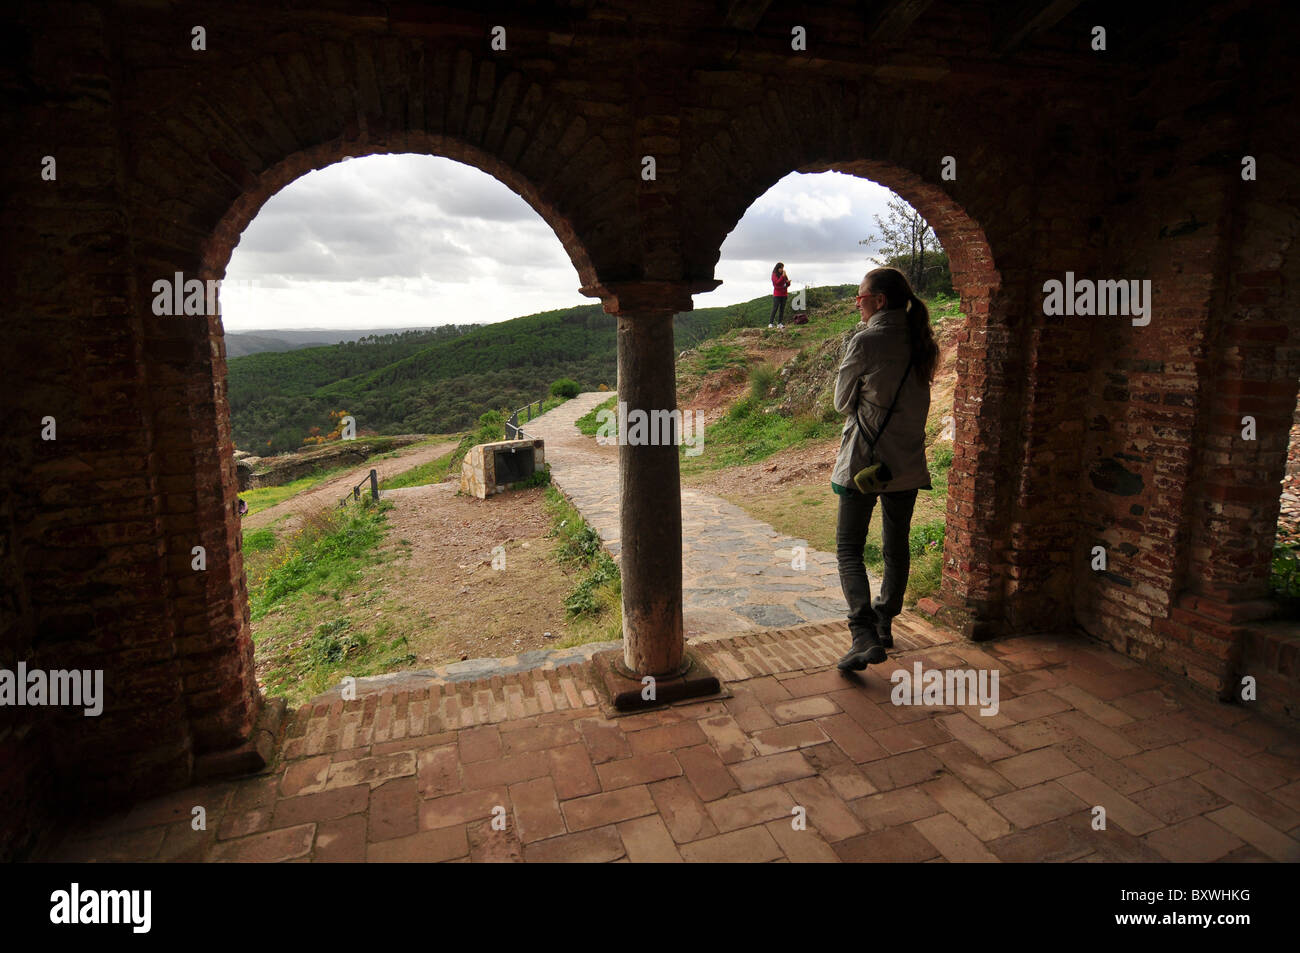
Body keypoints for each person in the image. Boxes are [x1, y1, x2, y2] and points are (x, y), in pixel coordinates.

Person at [831, 267, 938, 671]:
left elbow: (842, 403)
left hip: (865, 463)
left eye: (860, 297)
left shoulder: (866, 341)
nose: (857, 303)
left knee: (849, 548)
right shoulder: (922, 340)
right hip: (906, 464)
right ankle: (884, 622)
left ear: (879, 301)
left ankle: (862, 635)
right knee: (896, 545)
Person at [769, 263, 791, 328]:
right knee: (775, 308)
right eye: (781, 268)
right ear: (777, 268)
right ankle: (770, 323)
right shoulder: (774, 275)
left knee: (782, 309)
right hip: (777, 294)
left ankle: (779, 323)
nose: (782, 269)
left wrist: (788, 283)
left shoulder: (784, 275)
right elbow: (777, 283)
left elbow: (787, 284)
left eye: (782, 268)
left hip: (784, 294)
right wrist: (782, 276)